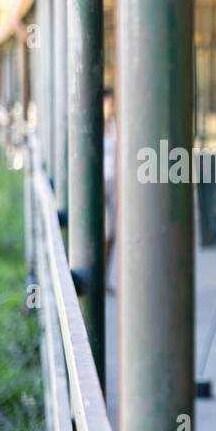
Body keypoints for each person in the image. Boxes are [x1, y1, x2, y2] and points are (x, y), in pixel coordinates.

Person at [103, 88, 117, 295]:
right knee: (103, 231)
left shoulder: (116, 125)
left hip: (114, 182)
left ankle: (104, 277)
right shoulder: (94, 124)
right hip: (99, 183)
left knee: (111, 233)